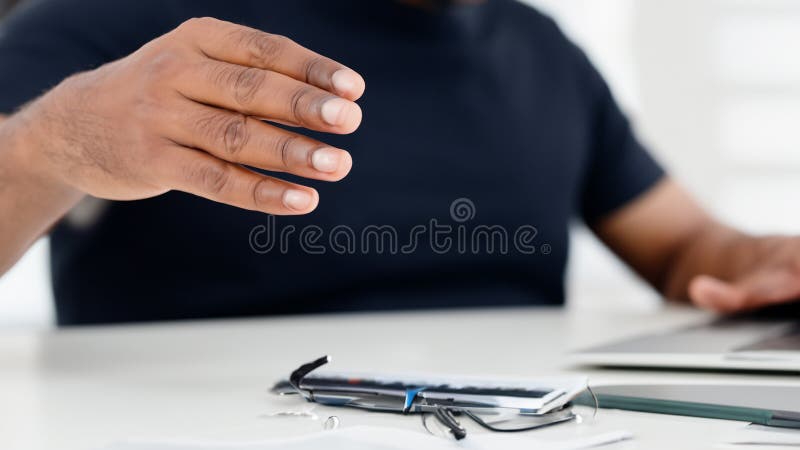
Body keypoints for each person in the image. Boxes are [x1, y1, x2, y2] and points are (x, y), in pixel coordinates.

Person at [0, 0, 798, 325]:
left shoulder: (542, 47)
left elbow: (685, 246)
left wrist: (767, 264)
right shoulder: (113, 24)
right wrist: (56, 143)